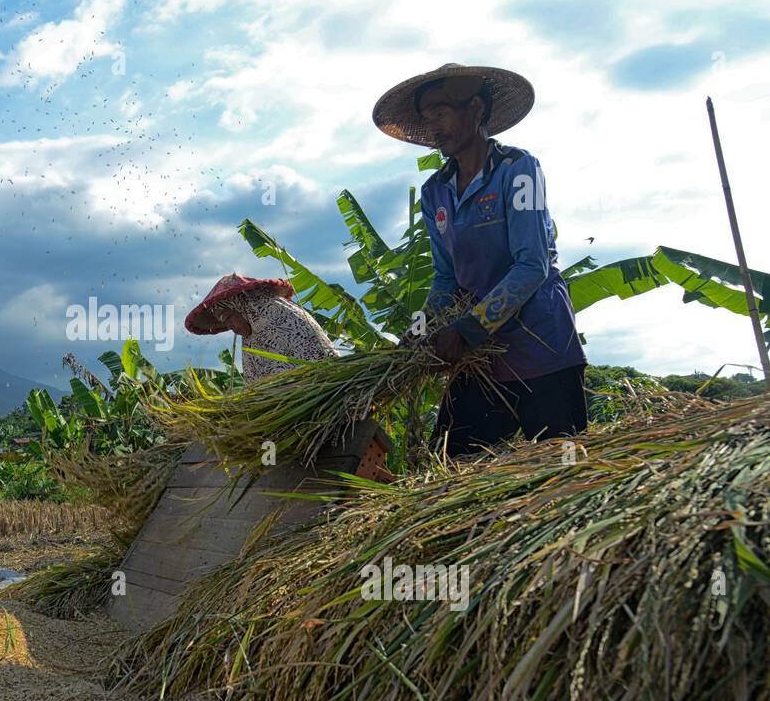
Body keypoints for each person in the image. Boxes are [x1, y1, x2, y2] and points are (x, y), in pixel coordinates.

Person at [372, 63, 587, 456]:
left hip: (541, 344)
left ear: (475, 109)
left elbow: (532, 265)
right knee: (451, 461)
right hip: (480, 359)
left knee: (561, 464)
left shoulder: (519, 171)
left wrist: (467, 329)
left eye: (441, 113)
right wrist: (418, 330)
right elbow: (444, 279)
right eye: (426, 118)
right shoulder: (435, 191)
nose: (433, 127)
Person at [184, 273, 340, 383]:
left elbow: (318, 364)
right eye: (225, 323)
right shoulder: (252, 343)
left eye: (228, 318)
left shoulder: (283, 319)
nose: (230, 327)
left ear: (244, 308)